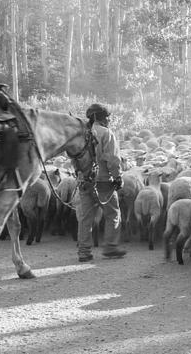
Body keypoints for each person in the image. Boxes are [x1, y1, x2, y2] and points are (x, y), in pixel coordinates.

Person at [76, 103, 126, 262]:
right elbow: (112, 158)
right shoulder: (106, 133)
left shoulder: (81, 134)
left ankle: (84, 252)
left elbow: (74, 157)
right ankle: (110, 247)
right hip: (104, 181)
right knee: (113, 214)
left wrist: (79, 174)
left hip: (85, 181)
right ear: (99, 117)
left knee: (86, 217)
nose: (109, 120)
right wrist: (118, 177)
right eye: (106, 117)